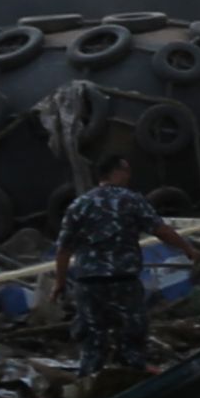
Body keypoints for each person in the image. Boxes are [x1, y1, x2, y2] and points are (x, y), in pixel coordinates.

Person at [58, 145, 164, 378]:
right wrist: (187, 248)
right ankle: (135, 370)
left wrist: (60, 282)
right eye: (126, 170)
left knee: (92, 334)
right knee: (132, 327)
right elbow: (160, 229)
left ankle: (89, 380)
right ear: (116, 171)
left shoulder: (79, 205)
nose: (129, 175)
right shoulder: (131, 200)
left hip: (89, 282)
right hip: (122, 279)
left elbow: (64, 249)